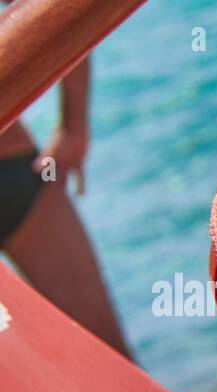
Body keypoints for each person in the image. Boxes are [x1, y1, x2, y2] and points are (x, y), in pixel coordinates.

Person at [0, 53, 131, 358]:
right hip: (13, 173)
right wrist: (73, 128)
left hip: (13, 174)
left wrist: (74, 128)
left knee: (110, 358)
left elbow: (54, 5)